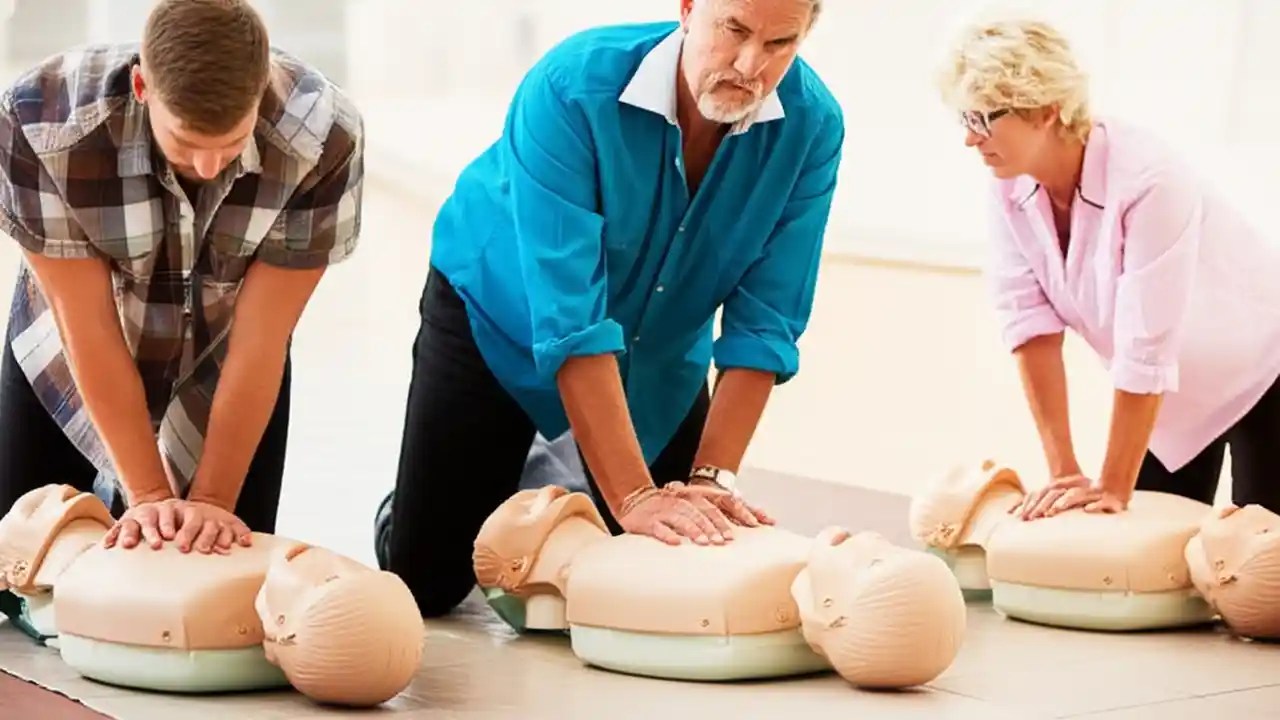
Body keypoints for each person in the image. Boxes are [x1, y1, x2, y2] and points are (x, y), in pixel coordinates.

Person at [380, 0, 843, 617]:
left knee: (675, 558)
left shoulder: (813, 128)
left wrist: (711, 481)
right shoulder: (570, 87)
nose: (749, 64)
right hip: (500, 313)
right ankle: (476, 479)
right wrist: (633, 497)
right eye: (733, 30)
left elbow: (766, 324)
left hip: (659, 348)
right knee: (426, 585)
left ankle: (555, 469)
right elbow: (570, 318)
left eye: (780, 44)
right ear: (688, 9)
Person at [0, 0, 364, 555]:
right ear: (142, 87)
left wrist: (213, 503)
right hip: (72, 348)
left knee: (220, 562)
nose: (211, 167)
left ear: (261, 92)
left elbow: (262, 340)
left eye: (232, 143)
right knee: (23, 562)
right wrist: (148, 496)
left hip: (229, 356)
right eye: (188, 143)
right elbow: (86, 326)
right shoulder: (38, 122)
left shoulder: (325, 138)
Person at [937, 14, 1280, 521]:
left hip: (1264, 367)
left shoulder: (1148, 179)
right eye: (965, 118)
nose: (971, 138)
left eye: (984, 118)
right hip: (1174, 393)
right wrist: (1065, 472)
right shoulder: (1009, 185)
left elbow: (1144, 345)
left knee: (1262, 552)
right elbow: (1030, 326)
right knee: (1148, 546)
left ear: (1045, 110)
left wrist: (1113, 486)